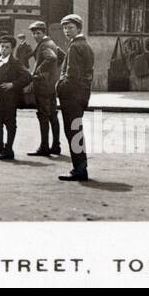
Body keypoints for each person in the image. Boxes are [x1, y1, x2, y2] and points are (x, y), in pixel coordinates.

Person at [56, 14, 95, 182]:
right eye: (65, 28)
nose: (66, 31)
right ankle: (80, 168)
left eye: (70, 27)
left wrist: (59, 87)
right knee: (76, 130)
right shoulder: (85, 45)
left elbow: (71, 75)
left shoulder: (75, 47)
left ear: (79, 29)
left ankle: (79, 170)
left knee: (72, 131)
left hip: (72, 94)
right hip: (82, 93)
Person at [0, 33, 32, 161]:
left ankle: (9, 150)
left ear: (12, 49)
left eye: (6, 47)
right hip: (1, 97)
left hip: (11, 98)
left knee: (10, 123)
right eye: (2, 47)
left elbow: (28, 76)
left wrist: (13, 84)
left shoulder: (15, 62)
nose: (3, 49)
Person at [26, 20, 64, 157]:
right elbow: (61, 56)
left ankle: (44, 147)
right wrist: (53, 73)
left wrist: (39, 72)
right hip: (51, 84)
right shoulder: (51, 43)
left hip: (42, 85)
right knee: (53, 114)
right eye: (34, 33)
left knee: (43, 115)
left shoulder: (44, 45)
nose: (36, 36)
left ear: (44, 33)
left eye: (38, 33)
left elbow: (52, 58)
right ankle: (56, 146)